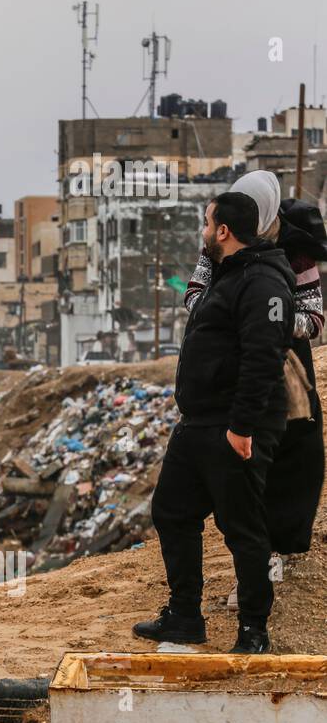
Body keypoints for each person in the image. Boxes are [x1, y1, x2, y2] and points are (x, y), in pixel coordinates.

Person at [136, 189, 295, 654]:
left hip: (235, 427)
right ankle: (185, 616)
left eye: (207, 224)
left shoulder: (264, 281)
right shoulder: (229, 275)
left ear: (223, 231)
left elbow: (263, 359)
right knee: (172, 511)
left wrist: (243, 428)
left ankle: (253, 630)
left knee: (241, 527)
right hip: (199, 423)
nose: (203, 232)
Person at [182, 172, 327, 607]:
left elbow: (314, 320)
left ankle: (271, 561)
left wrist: (269, 323)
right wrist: (227, 317)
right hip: (222, 370)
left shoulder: (295, 253)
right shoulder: (219, 244)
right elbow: (193, 296)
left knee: (282, 460)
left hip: (279, 368)